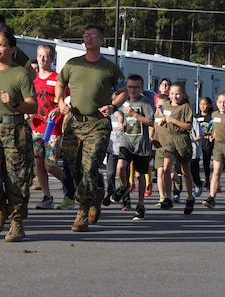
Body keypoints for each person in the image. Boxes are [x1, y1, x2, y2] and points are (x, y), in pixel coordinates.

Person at [55, 25, 126, 232]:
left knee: (89, 167)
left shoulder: (109, 67)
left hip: (97, 124)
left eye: (92, 36)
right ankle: (93, 195)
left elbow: (122, 91)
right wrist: (60, 103)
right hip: (74, 122)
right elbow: (59, 84)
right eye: (85, 35)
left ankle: (82, 212)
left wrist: (113, 106)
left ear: (102, 41)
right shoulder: (73, 64)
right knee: (74, 167)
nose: (88, 39)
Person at [0, 31, 37, 242]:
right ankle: (0, 208)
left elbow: (33, 105)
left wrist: (14, 103)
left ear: (12, 49)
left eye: (2, 45)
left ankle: (17, 223)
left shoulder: (20, 74)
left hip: (15, 130)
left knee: (17, 181)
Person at [29, 44, 66, 210]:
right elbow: (28, 100)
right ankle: (47, 196)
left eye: (46, 56)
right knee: (38, 161)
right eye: (39, 56)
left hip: (53, 128)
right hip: (36, 126)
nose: (42, 59)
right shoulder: (33, 80)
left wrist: (58, 109)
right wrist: (26, 111)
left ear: (52, 59)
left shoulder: (57, 78)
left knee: (50, 164)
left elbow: (66, 100)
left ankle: (70, 184)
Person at [113, 75, 155, 220]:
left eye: (136, 87)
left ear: (142, 88)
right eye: (130, 87)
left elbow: (151, 122)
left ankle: (140, 204)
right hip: (126, 142)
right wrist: (120, 119)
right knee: (120, 167)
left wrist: (134, 114)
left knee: (139, 175)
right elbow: (115, 109)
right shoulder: (123, 101)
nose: (133, 90)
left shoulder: (145, 102)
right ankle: (124, 187)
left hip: (141, 145)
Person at [155, 82, 197, 214]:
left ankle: (189, 198)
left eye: (178, 93)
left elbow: (188, 127)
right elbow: (163, 118)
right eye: (172, 93)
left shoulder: (185, 108)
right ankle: (167, 197)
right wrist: (163, 121)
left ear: (183, 94)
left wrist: (173, 120)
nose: (175, 96)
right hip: (169, 139)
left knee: (185, 171)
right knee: (166, 168)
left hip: (182, 139)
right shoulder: (166, 105)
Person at [196, 96, 215, 189]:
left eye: (205, 104)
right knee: (195, 162)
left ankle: (207, 180)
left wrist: (210, 133)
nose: (203, 106)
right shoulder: (196, 116)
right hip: (198, 142)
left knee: (206, 162)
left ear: (210, 105)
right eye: (201, 104)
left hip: (207, 141)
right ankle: (197, 180)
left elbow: (214, 128)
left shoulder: (212, 116)